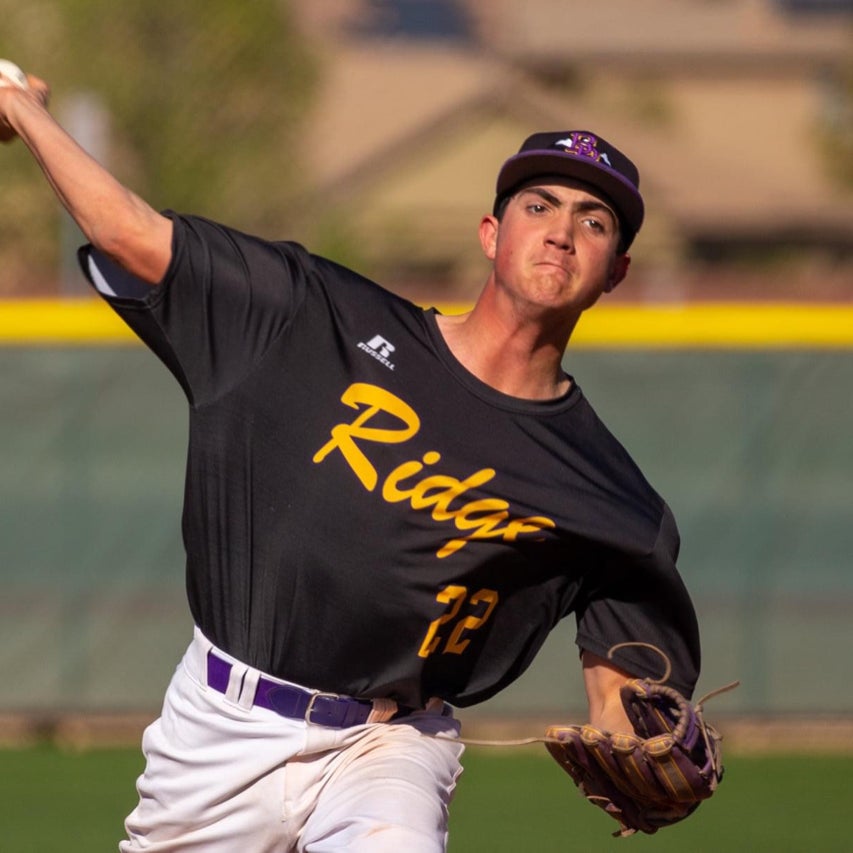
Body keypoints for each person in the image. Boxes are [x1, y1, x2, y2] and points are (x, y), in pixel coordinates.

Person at [1, 69, 701, 852]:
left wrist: (631, 731)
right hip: (222, 727)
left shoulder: (607, 494)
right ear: (489, 232)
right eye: (537, 206)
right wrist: (23, 113)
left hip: (390, 745)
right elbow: (130, 232)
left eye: (594, 220)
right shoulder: (312, 316)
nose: (560, 231)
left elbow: (623, 691)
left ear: (616, 271)